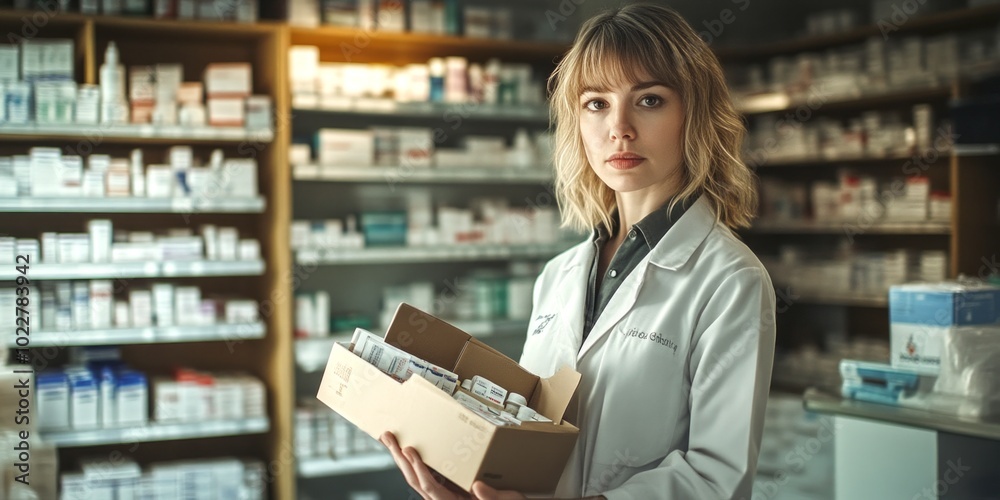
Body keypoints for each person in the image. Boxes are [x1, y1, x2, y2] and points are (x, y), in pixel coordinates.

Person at [380, 4, 776, 499]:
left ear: (693, 115)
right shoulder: (558, 275)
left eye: (649, 100)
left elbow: (718, 477)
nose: (620, 128)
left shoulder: (729, 279)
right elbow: (531, 435)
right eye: (596, 104)